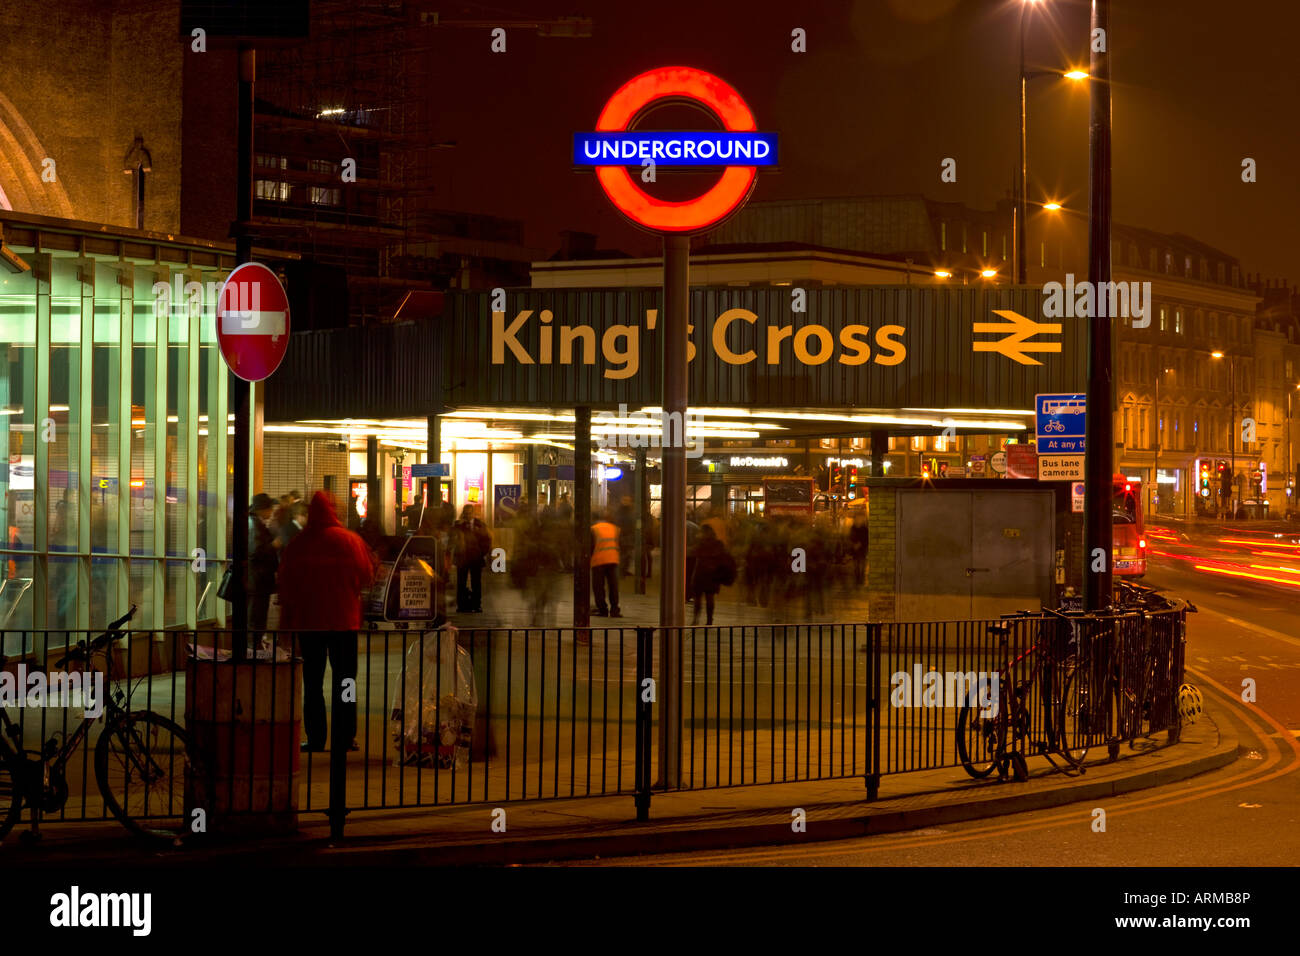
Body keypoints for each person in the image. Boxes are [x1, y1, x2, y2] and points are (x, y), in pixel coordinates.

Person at [278, 491, 376, 753]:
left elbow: (285, 585)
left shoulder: (298, 544)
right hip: (345, 623)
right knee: (346, 681)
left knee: (312, 683)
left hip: (310, 624)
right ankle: (345, 736)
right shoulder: (350, 540)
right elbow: (367, 575)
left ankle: (316, 737)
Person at [247, 493, 280, 649]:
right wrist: (274, 545)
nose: (271, 511)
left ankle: (255, 644)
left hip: (258, 579)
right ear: (262, 509)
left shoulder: (254, 523)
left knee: (257, 614)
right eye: (270, 508)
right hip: (258, 580)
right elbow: (255, 551)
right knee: (257, 615)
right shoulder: (254, 524)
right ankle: (254, 646)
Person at [690, 524, 735, 625]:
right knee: (710, 597)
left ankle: (695, 618)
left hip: (700, 574)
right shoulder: (718, 544)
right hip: (713, 575)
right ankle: (709, 619)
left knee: (698, 598)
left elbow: (693, 552)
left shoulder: (701, 543)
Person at [453, 504, 491, 612]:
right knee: (461, 582)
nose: (468, 515)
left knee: (476, 582)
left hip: (476, 557)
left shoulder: (480, 525)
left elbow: (486, 540)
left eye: (470, 513)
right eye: (466, 513)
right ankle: (461, 605)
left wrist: (481, 552)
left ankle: (476, 604)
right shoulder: (459, 525)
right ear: (463, 514)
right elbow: (453, 538)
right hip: (462, 558)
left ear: (473, 513)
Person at [590, 509, 621, 617]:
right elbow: (619, 544)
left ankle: (602, 609)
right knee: (613, 586)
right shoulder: (615, 529)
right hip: (613, 560)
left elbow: (590, 546)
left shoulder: (594, 529)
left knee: (598, 587)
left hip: (598, 560)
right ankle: (615, 609)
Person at [849, 511, 869, 587]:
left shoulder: (864, 528)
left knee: (862, 566)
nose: (858, 519)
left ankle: (861, 579)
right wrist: (853, 544)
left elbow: (866, 539)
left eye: (860, 518)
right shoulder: (853, 527)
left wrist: (860, 544)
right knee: (856, 566)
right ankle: (857, 580)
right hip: (855, 551)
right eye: (857, 518)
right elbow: (850, 537)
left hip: (862, 550)